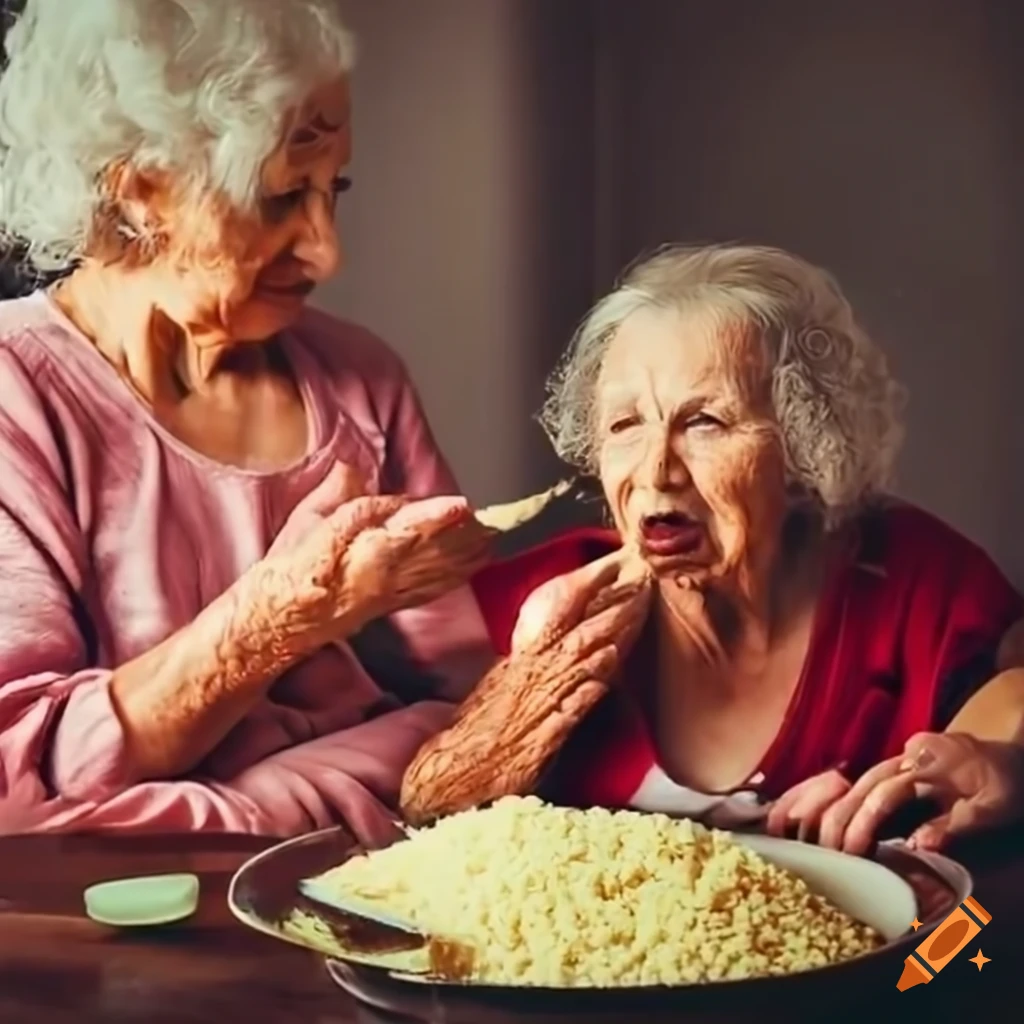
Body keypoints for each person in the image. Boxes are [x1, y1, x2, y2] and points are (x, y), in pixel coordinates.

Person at [0, 0, 497, 842]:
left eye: (332, 190)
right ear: (141, 190)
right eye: (280, 198)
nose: (326, 251)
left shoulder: (362, 379)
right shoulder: (16, 393)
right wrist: (278, 620)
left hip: (364, 891)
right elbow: (22, 784)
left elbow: (473, 716)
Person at [400, 243, 1024, 854]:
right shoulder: (549, 604)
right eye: (625, 425)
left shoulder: (916, 583)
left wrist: (1007, 774)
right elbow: (408, 819)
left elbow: (1007, 728)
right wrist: (516, 708)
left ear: (805, 442)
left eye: (704, 422)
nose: (655, 470)